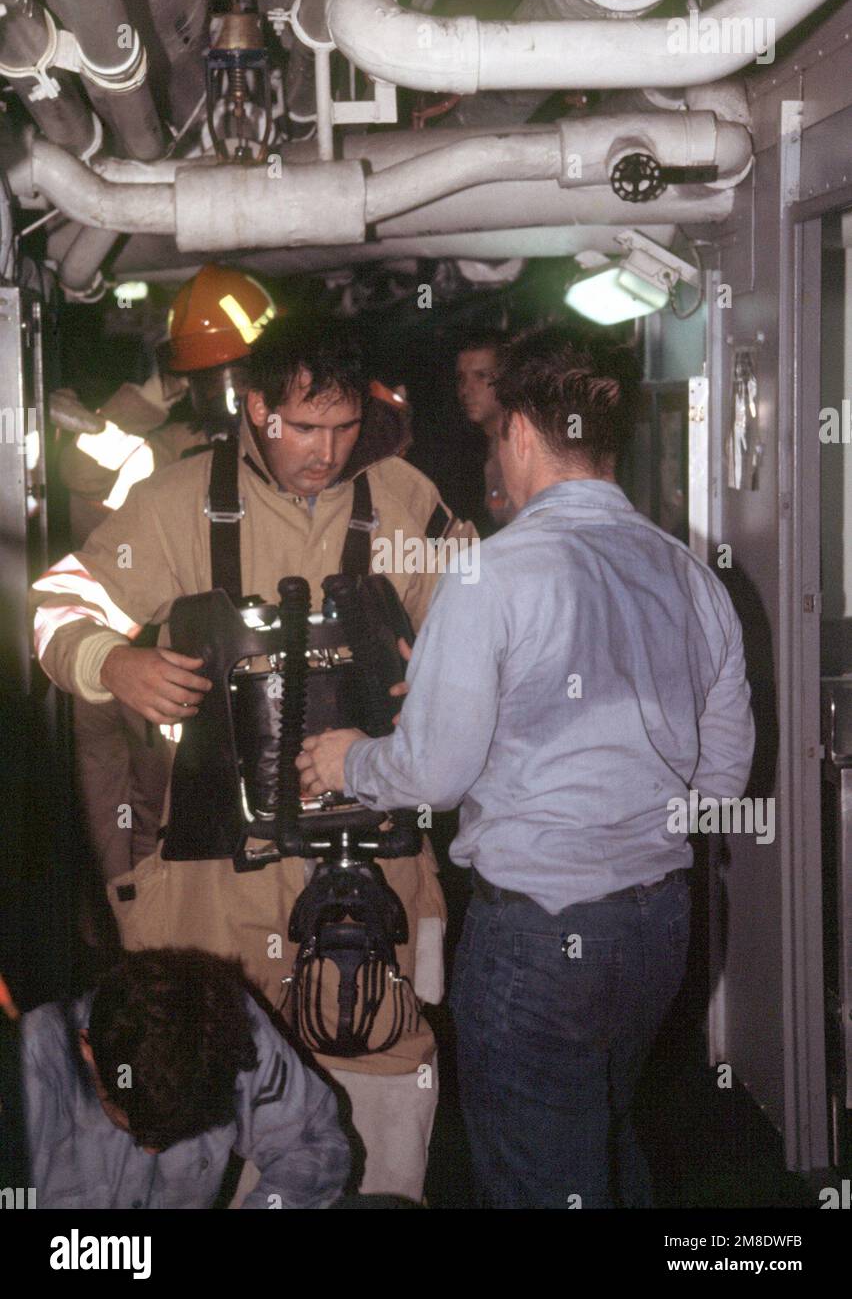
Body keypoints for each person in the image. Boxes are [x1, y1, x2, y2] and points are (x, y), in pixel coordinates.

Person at [297, 325, 756, 1209]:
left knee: (544, 1171)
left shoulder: (489, 578)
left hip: (540, 945)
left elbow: (432, 775)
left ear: (515, 432)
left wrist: (351, 759)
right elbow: (723, 782)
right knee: (609, 1133)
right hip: (659, 929)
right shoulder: (694, 579)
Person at [30, 313, 471, 1202]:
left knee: (382, 1101)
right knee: (199, 1095)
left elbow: (485, 633)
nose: (325, 450)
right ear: (254, 406)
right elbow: (50, 607)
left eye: (345, 427)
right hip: (212, 888)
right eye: (303, 427)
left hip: (373, 880)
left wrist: (442, 673)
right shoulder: (174, 501)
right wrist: (111, 660)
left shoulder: (407, 498)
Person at [51, 264, 277, 886]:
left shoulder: (316, 454)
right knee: (134, 819)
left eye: (239, 375)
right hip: (154, 666)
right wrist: (152, 396)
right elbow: (84, 473)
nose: (228, 395)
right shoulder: (175, 449)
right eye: (211, 378)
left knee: (183, 826)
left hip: (236, 683)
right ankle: (133, 934)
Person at [19, 948, 350, 1209]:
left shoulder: (226, 1030)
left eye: (174, 1131)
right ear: (87, 1049)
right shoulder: (27, 1063)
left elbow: (309, 1146)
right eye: (132, 1125)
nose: (151, 1150)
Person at [455, 330, 515, 531]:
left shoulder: (522, 449)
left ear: (507, 380)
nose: (466, 390)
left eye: (481, 376)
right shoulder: (470, 452)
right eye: (461, 378)